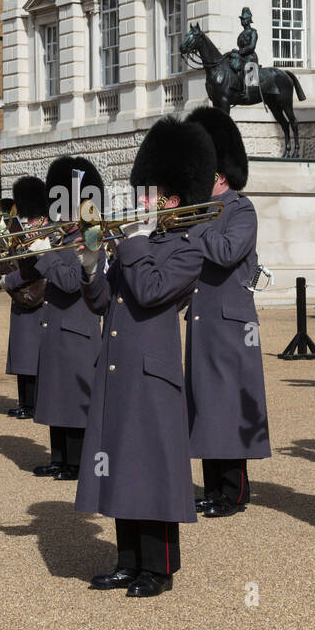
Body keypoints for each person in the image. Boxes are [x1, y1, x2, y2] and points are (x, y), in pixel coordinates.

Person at [77, 117, 215, 598]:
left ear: (173, 200)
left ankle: (158, 568)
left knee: (150, 469)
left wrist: (131, 243)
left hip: (153, 375)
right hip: (118, 369)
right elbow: (100, 303)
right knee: (120, 465)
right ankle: (127, 560)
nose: (140, 202)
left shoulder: (186, 248)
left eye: (150, 194)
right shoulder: (135, 244)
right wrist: (92, 263)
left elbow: (151, 291)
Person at [183, 106, 269, 518]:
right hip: (202, 320)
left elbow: (227, 251)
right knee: (206, 405)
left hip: (231, 324)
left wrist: (193, 225)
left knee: (228, 405)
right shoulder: (201, 212)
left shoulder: (241, 209)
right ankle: (213, 486)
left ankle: (233, 492)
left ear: (219, 174)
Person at [20, 157, 104, 479]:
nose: (61, 216)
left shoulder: (91, 239)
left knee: (75, 401)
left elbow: (71, 282)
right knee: (56, 396)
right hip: (57, 327)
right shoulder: (59, 240)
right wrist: (32, 249)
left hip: (78, 330)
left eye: (68, 210)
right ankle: (60, 458)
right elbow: (35, 276)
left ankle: (78, 462)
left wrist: (45, 252)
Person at [0, 176, 49, 423]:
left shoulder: (46, 239)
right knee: (21, 353)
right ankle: (24, 401)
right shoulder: (25, 237)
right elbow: (11, 264)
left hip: (36, 300)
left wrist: (11, 281)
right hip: (20, 300)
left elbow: (36, 271)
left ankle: (34, 403)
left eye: (35, 218)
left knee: (33, 355)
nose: (31, 222)